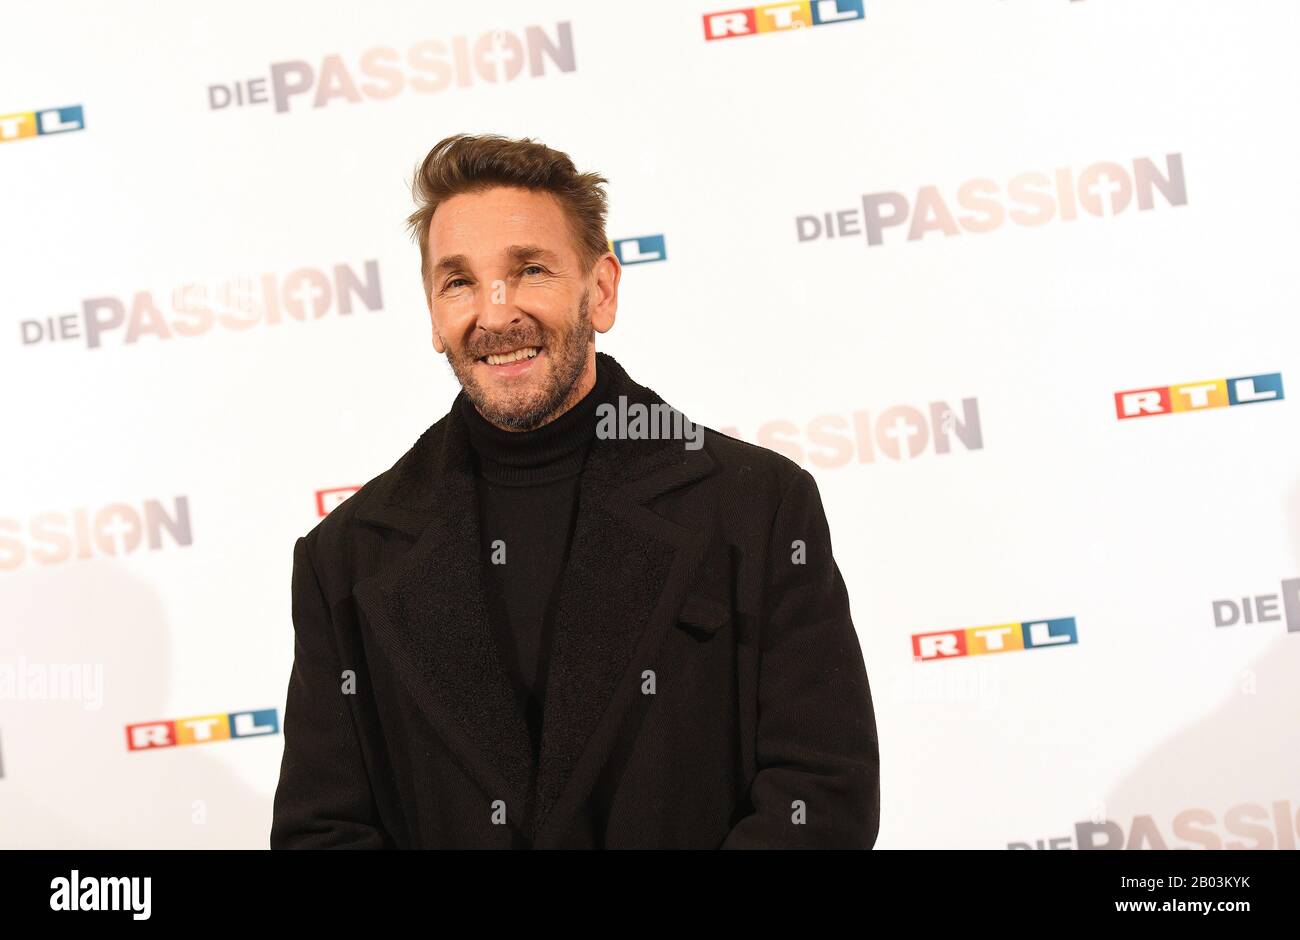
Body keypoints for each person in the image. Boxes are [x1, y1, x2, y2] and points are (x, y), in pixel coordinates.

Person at [270, 133, 880, 848]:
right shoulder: (346, 558)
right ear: (434, 315)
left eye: (529, 270)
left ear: (602, 291)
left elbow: (820, 799)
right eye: (459, 281)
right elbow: (323, 832)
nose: (495, 316)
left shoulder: (757, 506)